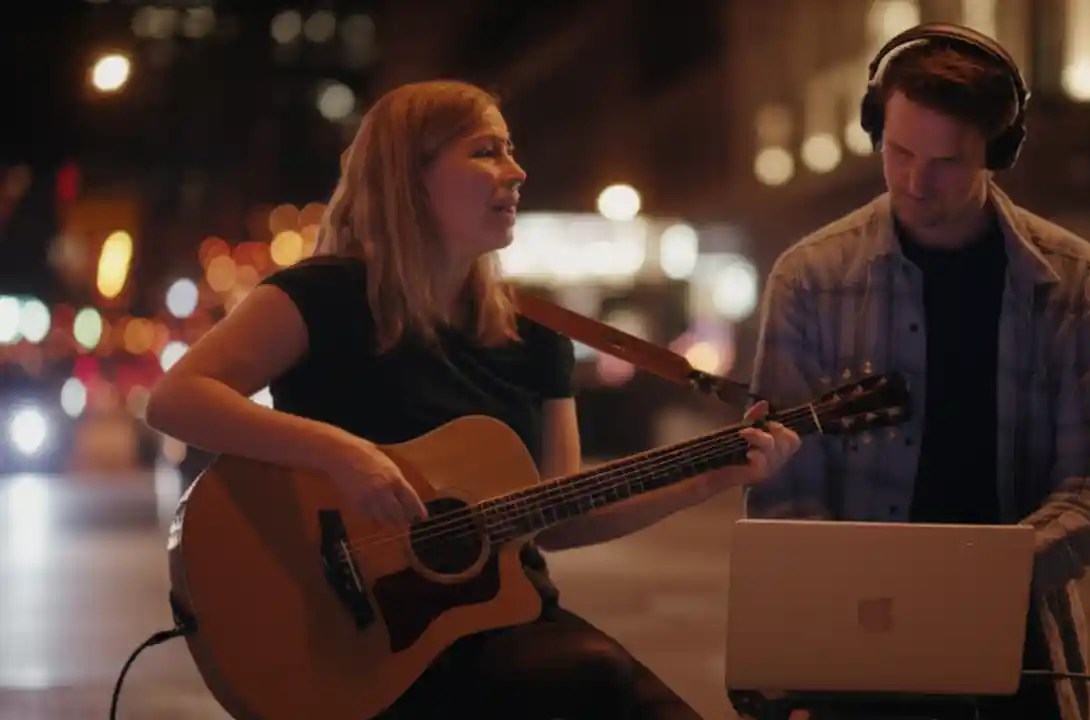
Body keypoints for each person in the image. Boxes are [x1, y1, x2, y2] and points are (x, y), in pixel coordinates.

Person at [145, 79, 801, 719]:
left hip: (505, 625)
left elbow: (559, 512)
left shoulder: (535, 334)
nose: (516, 172)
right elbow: (177, 399)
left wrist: (712, 476)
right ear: (409, 176)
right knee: (591, 679)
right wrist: (341, 452)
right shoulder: (324, 298)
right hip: (366, 646)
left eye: (511, 150)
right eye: (486, 151)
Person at [746, 24, 1090, 720]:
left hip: (1019, 647)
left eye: (949, 162)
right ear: (875, 127)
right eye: (898, 151)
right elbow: (785, 490)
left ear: (1000, 152)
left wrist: (986, 575)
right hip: (850, 650)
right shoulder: (808, 278)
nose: (915, 181)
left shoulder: (1075, 283)